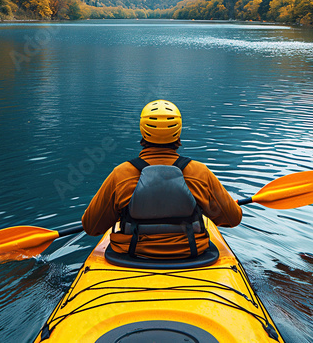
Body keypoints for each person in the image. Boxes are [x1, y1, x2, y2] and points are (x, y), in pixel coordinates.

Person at [81, 100, 242, 260]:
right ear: (178, 132)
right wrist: (230, 206)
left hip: (131, 255)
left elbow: (91, 226)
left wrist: (119, 211)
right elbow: (232, 219)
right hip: (191, 253)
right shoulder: (200, 173)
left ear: (142, 131)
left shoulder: (121, 175)